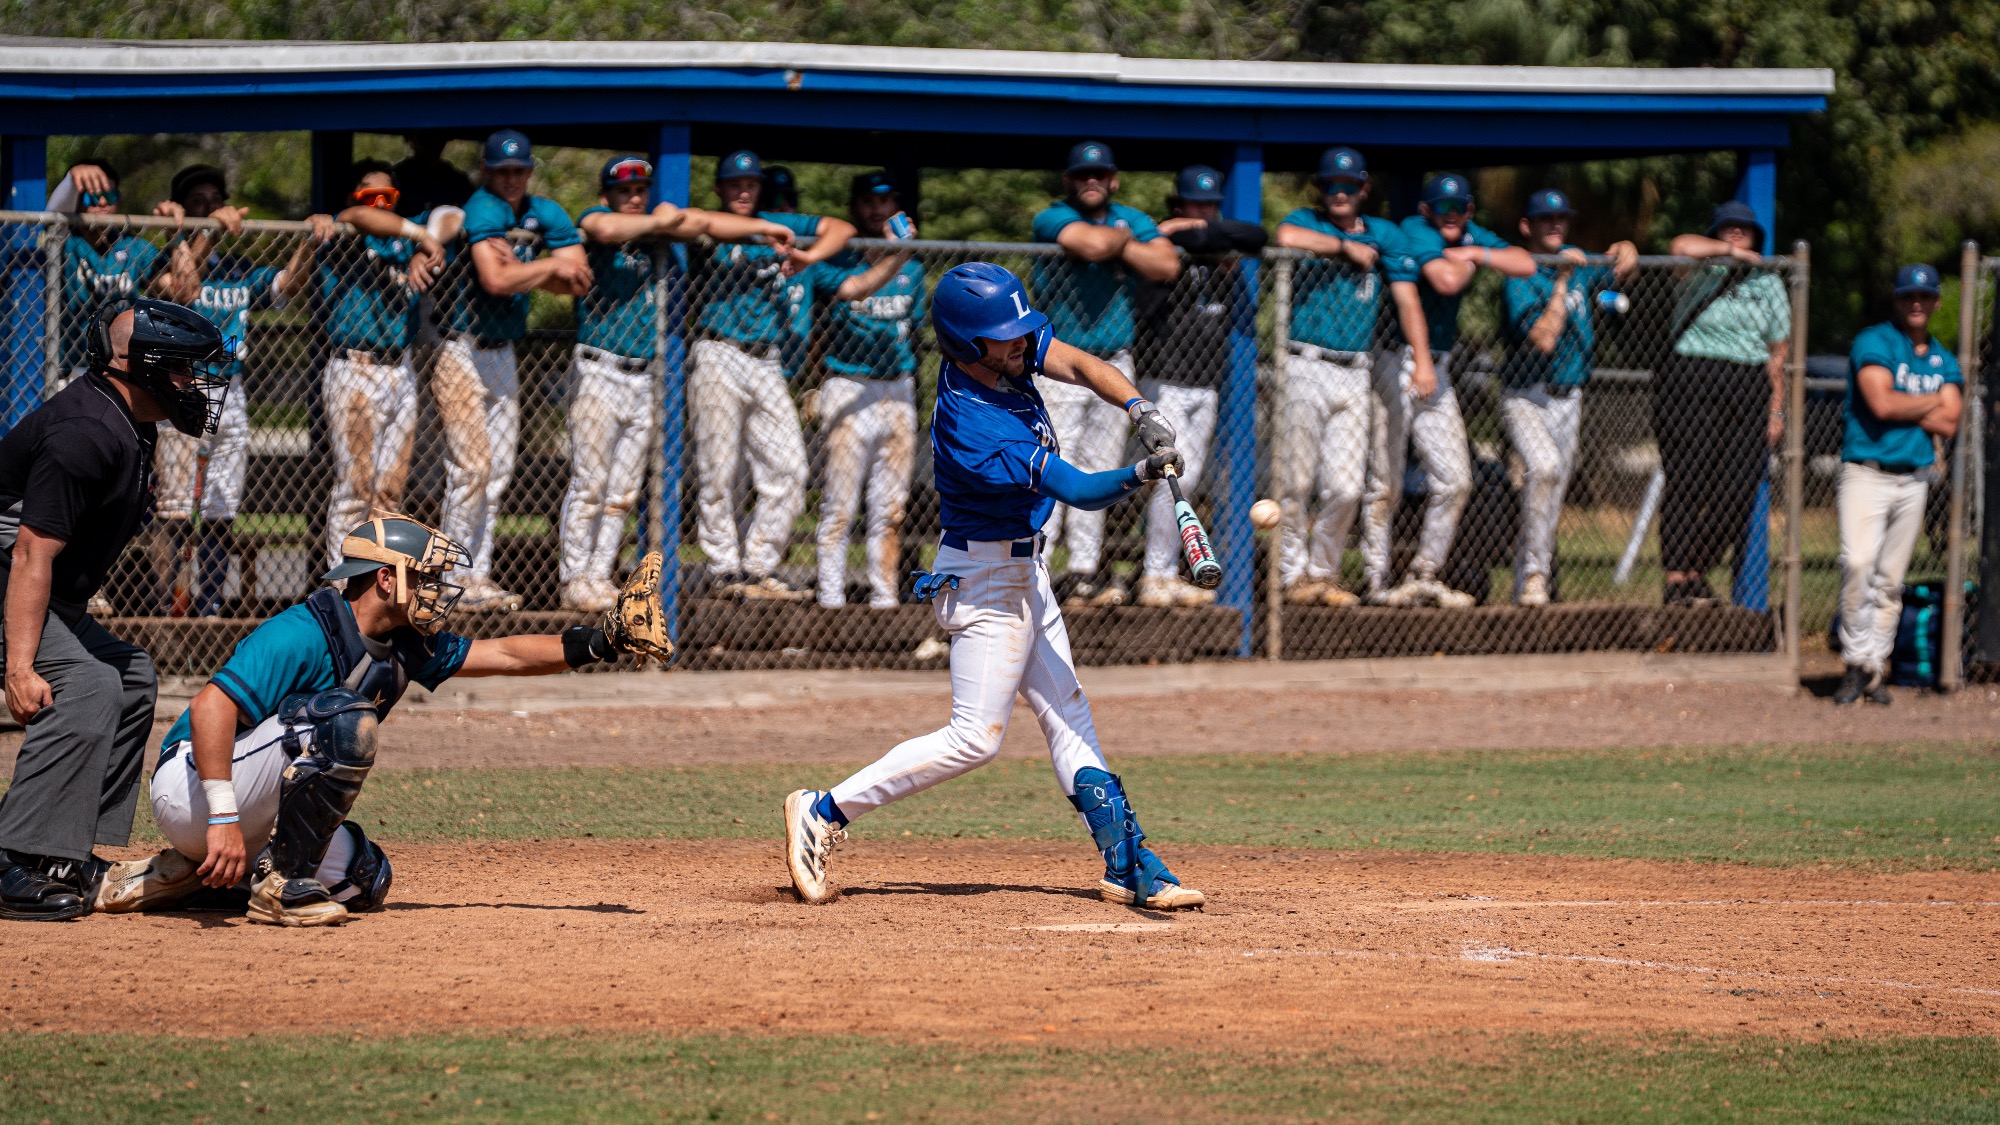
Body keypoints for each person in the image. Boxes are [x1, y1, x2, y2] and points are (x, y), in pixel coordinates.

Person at [782, 263, 1200, 909]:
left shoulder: (1003, 354)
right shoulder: (972, 421)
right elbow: (1080, 491)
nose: (1022, 345)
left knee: (1068, 712)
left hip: (1023, 568)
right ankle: (825, 809)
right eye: (1004, 338)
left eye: (1019, 333)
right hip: (984, 580)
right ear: (965, 343)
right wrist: (1142, 469)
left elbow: (1086, 365)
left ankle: (1129, 863)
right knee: (975, 737)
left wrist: (1139, 407)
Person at [93, 516, 667, 926]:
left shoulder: (403, 641)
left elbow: (506, 654)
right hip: (194, 788)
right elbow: (209, 708)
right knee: (345, 718)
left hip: (251, 798)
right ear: (385, 578)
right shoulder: (304, 630)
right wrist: (220, 816)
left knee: (365, 880)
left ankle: (190, 880)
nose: (437, 589)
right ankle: (270, 884)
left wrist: (604, 640)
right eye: (425, 575)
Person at [0, 298, 228, 922]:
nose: (194, 383)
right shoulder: (87, 432)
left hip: (36, 587)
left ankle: (61, 853)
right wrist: (20, 666)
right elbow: (28, 552)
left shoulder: (131, 423)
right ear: (145, 366)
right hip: (14, 579)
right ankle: (12, 859)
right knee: (90, 685)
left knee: (130, 677)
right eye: (183, 368)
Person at [562, 156, 797, 611]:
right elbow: (605, 230)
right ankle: (574, 576)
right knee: (590, 482)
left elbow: (706, 221)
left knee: (622, 491)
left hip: (643, 373)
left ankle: (598, 575)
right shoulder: (597, 220)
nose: (633, 197)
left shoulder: (661, 227)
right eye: (624, 191)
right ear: (607, 193)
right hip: (597, 368)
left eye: (641, 190)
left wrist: (761, 230)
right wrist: (659, 221)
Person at [148, 165, 328, 617]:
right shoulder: (169, 253)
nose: (211, 208)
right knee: (173, 507)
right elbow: (182, 289)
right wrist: (204, 232)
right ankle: (154, 608)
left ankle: (208, 605)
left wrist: (308, 241)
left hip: (231, 384)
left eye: (216, 199)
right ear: (184, 209)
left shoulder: (238, 269)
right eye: (200, 202)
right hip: (185, 382)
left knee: (222, 505)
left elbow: (288, 284)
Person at [427, 129, 594, 612]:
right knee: (471, 469)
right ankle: (452, 578)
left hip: (503, 351)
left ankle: (476, 575)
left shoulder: (544, 211)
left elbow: (579, 277)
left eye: (519, 170)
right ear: (486, 171)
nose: (512, 178)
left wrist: (529, 267)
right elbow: (495, 279)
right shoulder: (483, 206)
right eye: (502, 170)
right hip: (460, 347)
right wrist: (544, 268)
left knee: (497, 471)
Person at [1362, 174, 1537, 609]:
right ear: (1427, 210)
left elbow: (1526, 263)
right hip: (1395, 358)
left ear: (1470, 210)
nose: (1451, 216)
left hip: (1436, 365)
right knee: (1387, 479)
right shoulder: (1415, 230)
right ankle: (1375, 580)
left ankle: (1424, 572)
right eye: (1442, 208)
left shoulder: (1470, 234)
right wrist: (1473, 262)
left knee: (1456, 479)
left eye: (1459, 208)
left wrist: (1474, 252)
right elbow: (1444, 280)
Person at [688, 149, 854, 600]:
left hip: (766, 361)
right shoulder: (726, 226)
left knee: (789, 467)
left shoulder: (782, 223)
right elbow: (699, 223)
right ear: (721, 188)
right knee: (718, 469)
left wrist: (809, 255)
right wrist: (763, 229)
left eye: (751, 184)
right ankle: (723, 565)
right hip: (718, 349)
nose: (744, 191)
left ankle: (758, 564)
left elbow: (842, 229)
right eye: (735, 184)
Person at [1271, 147, 1430, 607]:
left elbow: (1406, 298)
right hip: (1305, 362)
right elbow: (1284, 234)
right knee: (1296, 481)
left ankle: (1323, 573)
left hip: (1355, 370)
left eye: (1347, 186)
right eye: (1329, 186)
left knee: (1344, 486)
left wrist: (1421, 358)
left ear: (1364, 189)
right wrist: (1343, 247)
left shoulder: (1385, 233)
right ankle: (1291, 576)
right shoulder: (1310, 221)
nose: (1337, 194)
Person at [1031, 141, 1181, 606]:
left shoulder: (1127, 215)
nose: (1090, 181)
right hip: (1056, 360)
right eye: (1081, 175)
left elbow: (1167, 264)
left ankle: (1083, 572)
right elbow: (1093, 245)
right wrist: (1121, 242)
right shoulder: (1052, 215)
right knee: (1051, 468)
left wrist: (1115, 241)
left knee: (1098, 467)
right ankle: (1037, 565)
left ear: (1113, 179)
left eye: (1099, 174)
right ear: (1069, 180)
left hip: (1114, 363)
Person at [1130, 164, 1265, 608]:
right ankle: (1155, 574)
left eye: (1211, 205)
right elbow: (1184, 240)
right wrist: (1173, 230)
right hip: (1163, 379)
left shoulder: (1218, 246)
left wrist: (1200, 230)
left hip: (1205, 382)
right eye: (1196, 204)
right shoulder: (1160, 245)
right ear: (1178, 206)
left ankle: (1163, 571)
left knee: (1189, 479)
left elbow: (1256, 236)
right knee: (1170, 478)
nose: (1204, 213)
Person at [1499, 189, 1638, 607]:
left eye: (1561, 218)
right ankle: (1537, 577)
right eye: (1545, 219)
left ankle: (1528, 581)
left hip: (1569, 396)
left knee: (1552, 491)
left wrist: (1625, 249)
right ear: (1527, 226)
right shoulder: (1520, 271)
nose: (1555, 225)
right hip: (1526, 395)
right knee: (1542, 470)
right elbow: (1542, 338)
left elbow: (1622, 267)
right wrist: (1559, 281)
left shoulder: (1579, 263)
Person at [1831, 265, 1962, 705]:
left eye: (1924, 296)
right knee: (1858, 562)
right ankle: (1854, 658)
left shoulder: (1944, 358)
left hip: (1913, 478)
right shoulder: (1875, 341)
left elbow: (1952, 418)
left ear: (1937, 302)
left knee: (1890, 580)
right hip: (1866, 472)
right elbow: (1881, 403)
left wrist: (1916, 404)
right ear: (1898, 300)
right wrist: (1931, 400)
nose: (1916, 304)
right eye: (1908, 296)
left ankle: (1873, 667)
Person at [1657, 201, 1793, 605]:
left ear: (1757, 237)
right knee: (1688, 475)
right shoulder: (1704, 268)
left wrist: (1776, 409)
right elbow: (1679, 246)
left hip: (1748, 380)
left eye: (1744, 230)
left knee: (1739, 484)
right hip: (1693, 373)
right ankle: (1676, 577)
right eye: (1727, 228)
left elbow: (1778, 353)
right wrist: (1729, 253)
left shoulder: (1767, 281)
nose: (1736, 233)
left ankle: (1697, 571)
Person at [318, 163, 447, 570]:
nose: (378, 203)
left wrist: (427, 245)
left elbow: (451, 215)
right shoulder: (347, 232)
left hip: (399, 368)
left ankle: (377, 578)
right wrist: (420, 235)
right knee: (355, 486)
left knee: (390, 490)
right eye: (369, 194)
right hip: (355, 366)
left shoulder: (406, 242)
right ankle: (341, 585)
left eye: (387, 197)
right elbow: (359, 217)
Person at [809, 170, 927, 610]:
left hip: (896, 387)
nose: (878, 209)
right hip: (848, 382)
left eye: (886, 201)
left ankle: (884, 597)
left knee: (890, 507)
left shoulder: (913, 271)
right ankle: (830, 597)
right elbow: (852, 292)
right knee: (839, 503)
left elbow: (914, 329)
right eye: (870, 202)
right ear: (856, 208)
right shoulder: (839, 261)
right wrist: (896, 253)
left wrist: (901, 255)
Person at [47, 162, 168, 392]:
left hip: (123, 367)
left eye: (109, 195)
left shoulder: (133, 246)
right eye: (93, 197)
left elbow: (173, 288)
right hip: (71, 367)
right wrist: (71, 182)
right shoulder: (66, 241)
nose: (102, 202)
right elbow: (52, 217)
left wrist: (178, 234)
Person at [391, 131, 475, 219]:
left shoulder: (459, 182)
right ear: (411, 138)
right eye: (424, 141)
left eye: (437, 141)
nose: (431, 148)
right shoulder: (397, 179)